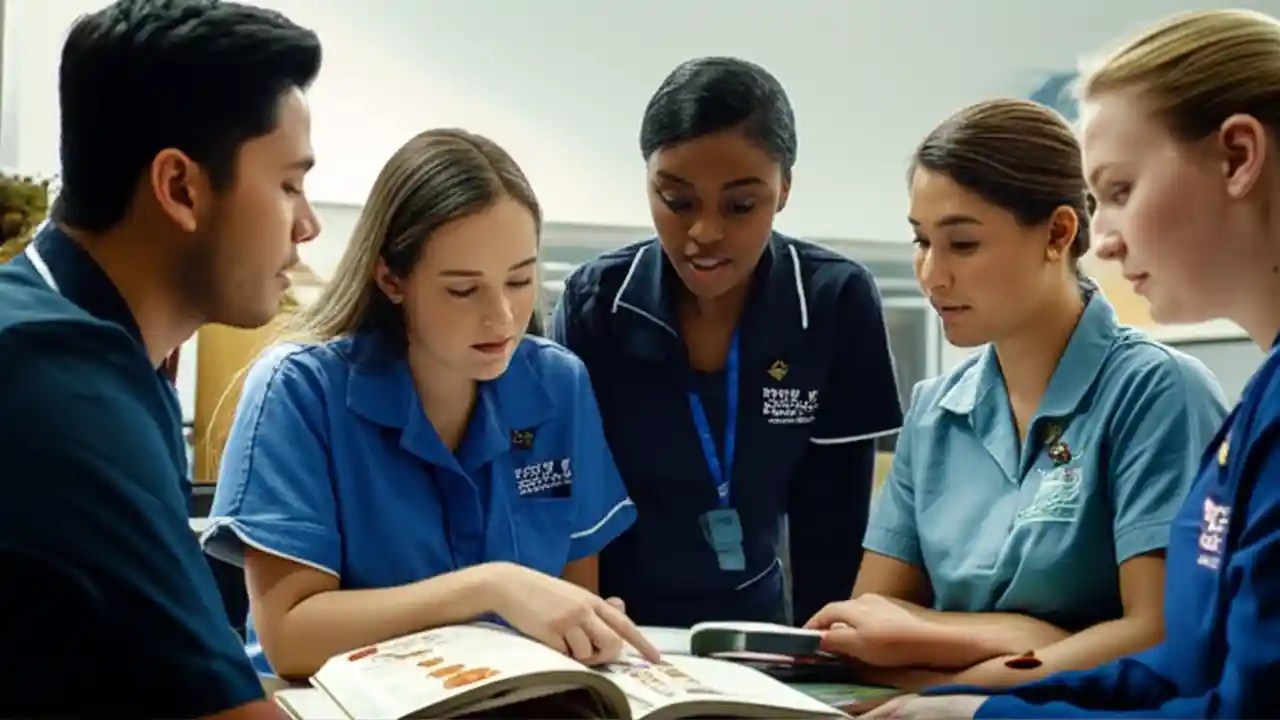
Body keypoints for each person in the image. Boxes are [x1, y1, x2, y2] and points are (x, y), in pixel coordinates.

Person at [860, 9, 1280, 719]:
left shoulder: (1165, 391)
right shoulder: (1259, 405)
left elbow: (1221, 691)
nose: (1105, 242)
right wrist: (974, 698)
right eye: (920, 242)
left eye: (1119, 192)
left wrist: (978, 700)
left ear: (1239, 157)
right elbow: (1175, 667)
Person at [200, 128, 660, 681]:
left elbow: (569, 599)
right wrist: (491, 586)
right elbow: (290, 639)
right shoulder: (300, 391)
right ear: (392, 278)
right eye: (463, 290)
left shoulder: (559, 384)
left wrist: (587, 628)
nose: (503, 318)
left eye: (519, 280)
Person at [805, 98, 1229, 695]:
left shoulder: (1157, 392)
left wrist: (948, 682)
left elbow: (1157, 634)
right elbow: (863, 631)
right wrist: (1023, 636)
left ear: (1058, 233)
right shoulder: (933, 411)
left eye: (963, 244)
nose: (932, 274)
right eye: (921, 241)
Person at [0, 0, 322, 717]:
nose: (308, 223)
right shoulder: (61, 384)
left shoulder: (67, 337)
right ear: (180, 188)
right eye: (289, 184)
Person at [551, 56, 903, 628]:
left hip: (759, 626)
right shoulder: (598, 302)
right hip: (615, 622)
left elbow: (833, 525)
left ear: (784, 187)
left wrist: (828, 672)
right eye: (677, 201)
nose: (705, 233)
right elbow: (573, 505)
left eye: (741, 205)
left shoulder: (833, 301)